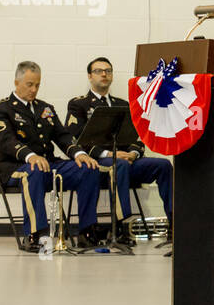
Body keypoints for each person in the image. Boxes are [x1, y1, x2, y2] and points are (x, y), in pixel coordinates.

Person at [0, 61, 105, 250]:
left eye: (37, 85)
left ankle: (87, 231)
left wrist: (80, 153)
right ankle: (36, 234)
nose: (34, 89)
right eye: (29, 84)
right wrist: (30, 156)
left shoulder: (45, 108)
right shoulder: (1, 109)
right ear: (16, 82)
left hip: (49, 164)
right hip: (15, 167)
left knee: (88, 168)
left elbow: (63, 136)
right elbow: (6, 140)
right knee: (33, 170)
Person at [67, 56, 173, 244]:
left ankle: (175, 224)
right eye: (99, 71)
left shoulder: (123, 104)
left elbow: (140, 136)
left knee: (163, 165)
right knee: (120, 164)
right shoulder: (78, 105)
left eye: (108, 71)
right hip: (98, 164)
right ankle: (120, 228)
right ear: (90, 77)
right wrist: (110, 154)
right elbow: (77, 140)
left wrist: (133, 153)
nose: (104, 74)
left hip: (127, 160)